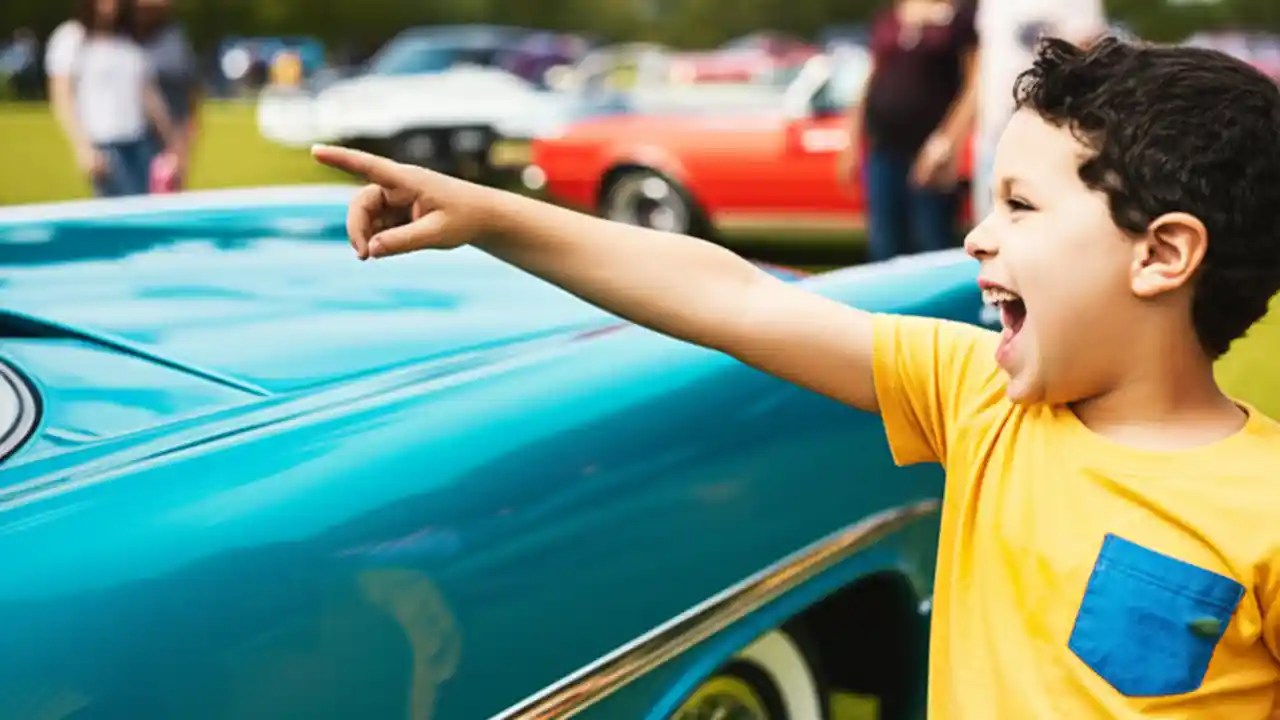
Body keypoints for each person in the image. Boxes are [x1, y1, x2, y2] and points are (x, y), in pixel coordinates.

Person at [314, 35, 1280, 717]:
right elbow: (737, 300)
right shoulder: (978, 397)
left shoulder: (1262, 512)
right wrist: (496, 218)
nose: (979, 236)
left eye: (1022, 206)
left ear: (1161, 257)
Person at [839, 0, 979, 262]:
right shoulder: (890, 16)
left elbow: (974, 85)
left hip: (928, 150)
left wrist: (945, 143)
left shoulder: (961, 17)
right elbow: (871, 78)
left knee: (930, 241)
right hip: (884, 147)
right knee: (884, 242)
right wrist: (852, 142)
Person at [972, 0, 1107, 220]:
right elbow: (984, 62)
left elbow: (1087, 56)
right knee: (990, 228)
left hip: (1047, 138)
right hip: (993, 137)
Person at [45, 0, 180, 198]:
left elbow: (149, 97)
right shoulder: (71, 37)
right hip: (105, 144)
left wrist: (171, 143)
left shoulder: (129, 39)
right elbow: (62, 99)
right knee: (119, 216)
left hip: (140, 142)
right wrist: (83, 148)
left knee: (148, 211)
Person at [133, 0, 201, 193]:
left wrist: (189, 126)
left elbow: (190, 84)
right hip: (138, 135)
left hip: (175, 131)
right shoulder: (126, 37)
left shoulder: (175, 37)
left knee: (170, 189)